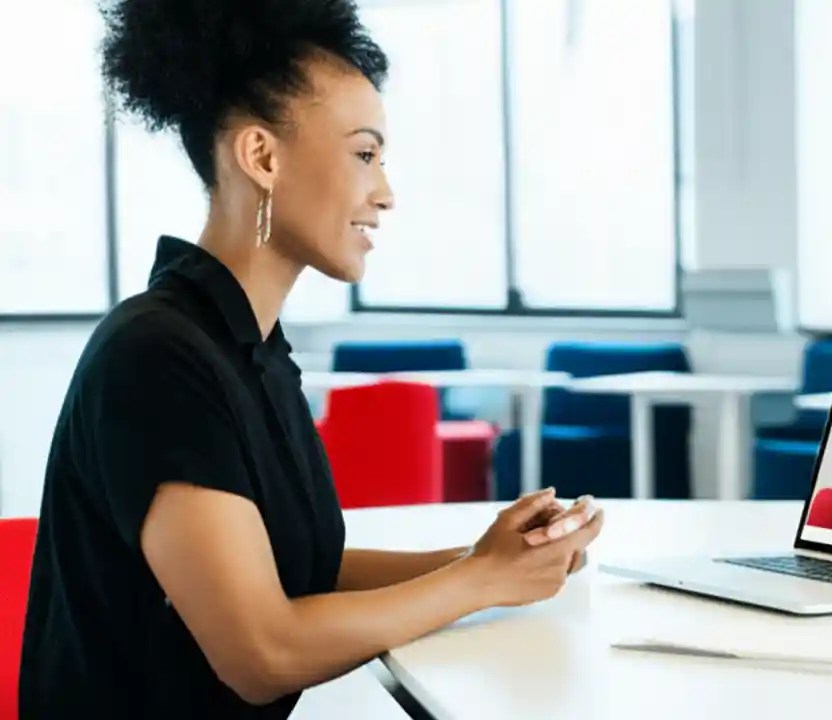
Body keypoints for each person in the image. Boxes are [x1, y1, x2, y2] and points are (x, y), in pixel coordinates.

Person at [19, 1, 604, 717]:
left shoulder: (251, 348)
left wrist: (484, 559)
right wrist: (482, 581)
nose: (385, 193)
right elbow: (262, 654)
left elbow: (301, 570)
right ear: (262, 157)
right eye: (365, 153)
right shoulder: (157, 357)